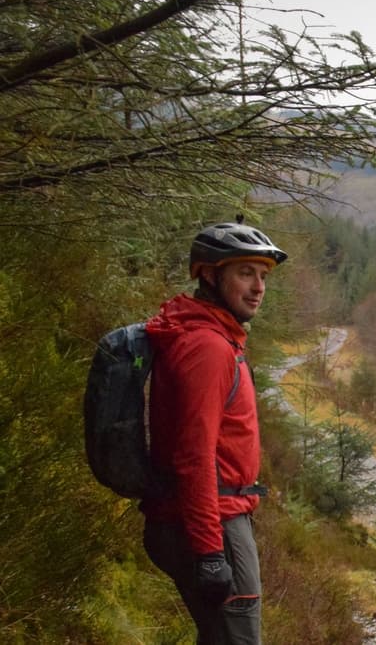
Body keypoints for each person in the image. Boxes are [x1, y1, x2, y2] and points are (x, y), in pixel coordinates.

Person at [141, 219, 287, 645]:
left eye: (263, 276)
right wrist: (209, 551)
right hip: (214, 523)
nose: (258, 287)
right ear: (209, 274)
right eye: (245, 273)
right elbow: (194, 456)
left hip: (212, 516)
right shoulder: (207, 347)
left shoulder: (211, 336)